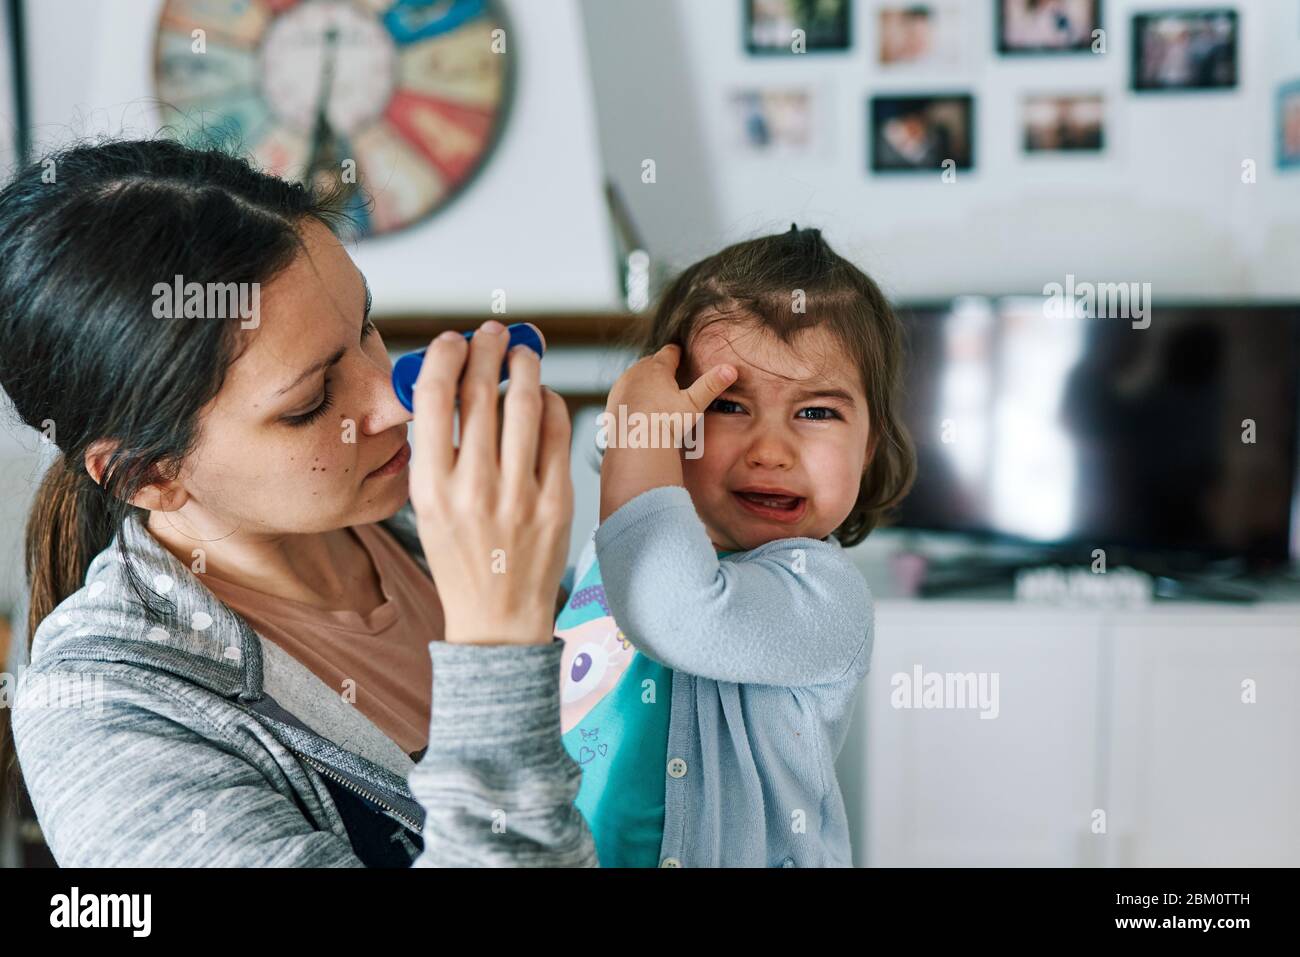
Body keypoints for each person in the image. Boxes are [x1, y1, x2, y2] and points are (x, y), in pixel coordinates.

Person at [0, 138, 594, 866]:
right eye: (310, 401)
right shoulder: (105, 710)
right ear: (148, 474)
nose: (395, 404)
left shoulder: (418, 530)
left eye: (367, 326)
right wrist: (497, 648)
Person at [554, 226, 915, 866]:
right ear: (677, 412)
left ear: (870, 443)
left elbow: (680, 614)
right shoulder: (609, 551)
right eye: (726, 405)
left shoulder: (824, 595)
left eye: (816, 413)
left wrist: (638, 440)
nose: (770, 450)